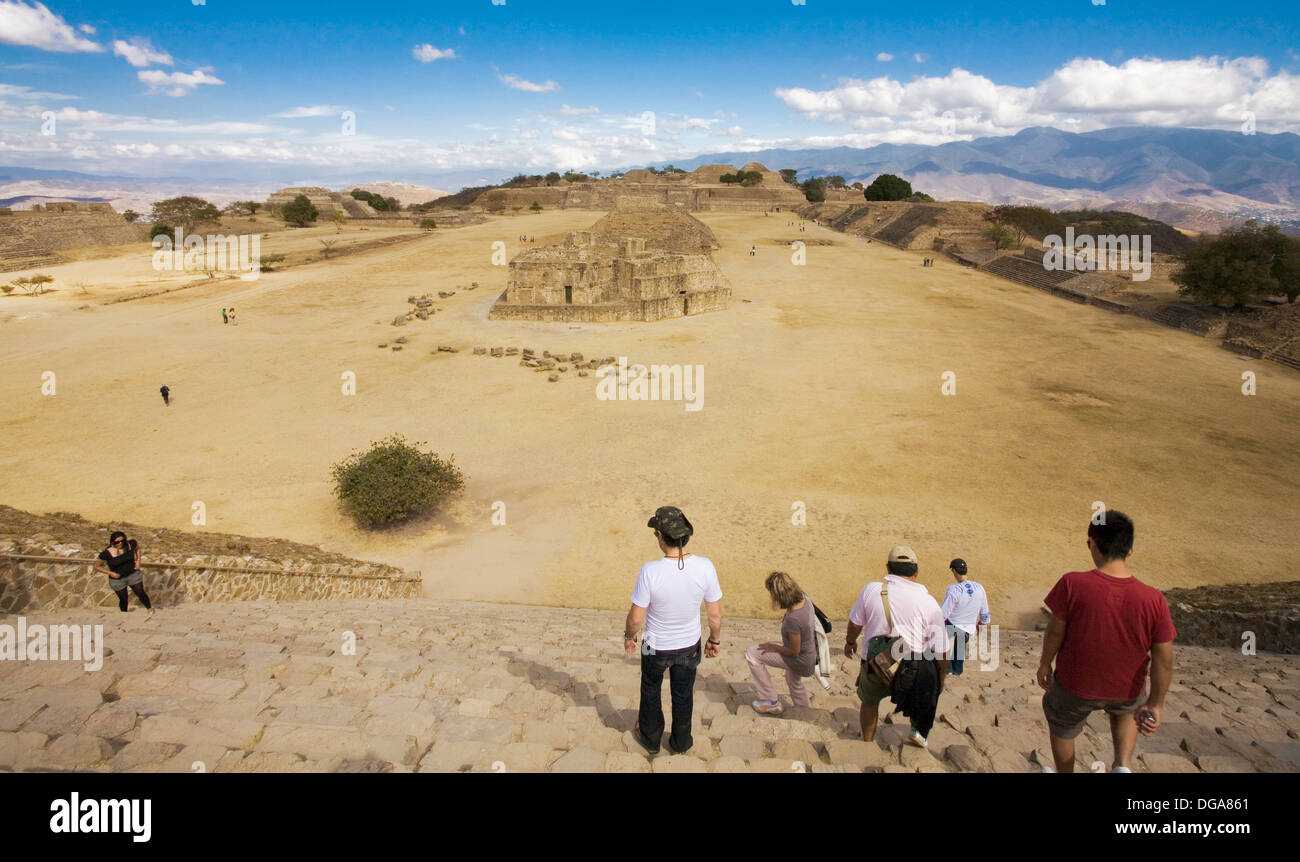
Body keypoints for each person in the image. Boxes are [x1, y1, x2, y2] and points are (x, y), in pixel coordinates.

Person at [1038, 510, 1176, 773]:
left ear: (1092, 542)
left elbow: (1055, 631)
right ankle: (1122, 766)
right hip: (1127, 689)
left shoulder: (1072, 584)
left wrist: (1045, 664)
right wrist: (1156, 704)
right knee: (1128, 710)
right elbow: (1164, 659)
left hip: (1075, 684)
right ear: (1131, 550)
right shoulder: (1153, 600)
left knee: (1062, 722)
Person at [624, 506, 722, 755]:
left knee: (649, 687)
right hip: (689, 644)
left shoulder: (650, 571)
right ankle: (680, 742)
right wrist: (715, 640)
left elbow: (636, 618)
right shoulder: (706, 567)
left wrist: (629, 636)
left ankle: (650, 737)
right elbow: (714, 615)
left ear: (660, 537)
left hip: (652, 643)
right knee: (683, 693)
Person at [844, 545, 948, 746]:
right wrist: (939, 681)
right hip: (912, 668)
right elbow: (942, 650)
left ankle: (867, 740)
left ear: (887, 568)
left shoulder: (872, 590)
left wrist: (850, 642)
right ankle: (917, 731)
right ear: (916, 572)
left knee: (869, 702)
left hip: (875, 663)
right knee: (924, 690)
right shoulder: (929, 603)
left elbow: (855, 623)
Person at [746, 571, 817, 715]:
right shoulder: (804, 598)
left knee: (752, 653)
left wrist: (774, 647)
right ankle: (804, 710)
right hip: (809, 654)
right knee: (793, 680)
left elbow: (794, 651)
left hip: (800, 659)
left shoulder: (794, 619)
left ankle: (769, 701)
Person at [939, 558, 990, 675]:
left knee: (948, 656)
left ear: (954, 571)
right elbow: (985, 612)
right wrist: (980, 625)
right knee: (959, 653)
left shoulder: (953, 590)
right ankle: (957, 672)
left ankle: (949, 672)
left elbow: (943, 614)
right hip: (968, 629)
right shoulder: (979, 587)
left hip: (952, 628)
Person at [93, 531, 153, 613]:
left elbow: (137, 549)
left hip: (133, 574)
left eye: (123, 541)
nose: (120, 543)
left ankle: (149, 609)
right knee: (123, 598)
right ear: (112, 542)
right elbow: (96, 566)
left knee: (140, 593)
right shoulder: (106, 553)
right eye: (117, 542)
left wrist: (138, 561)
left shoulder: (130, 544)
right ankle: (124, 615)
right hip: (117, 580)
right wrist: (110, 573)